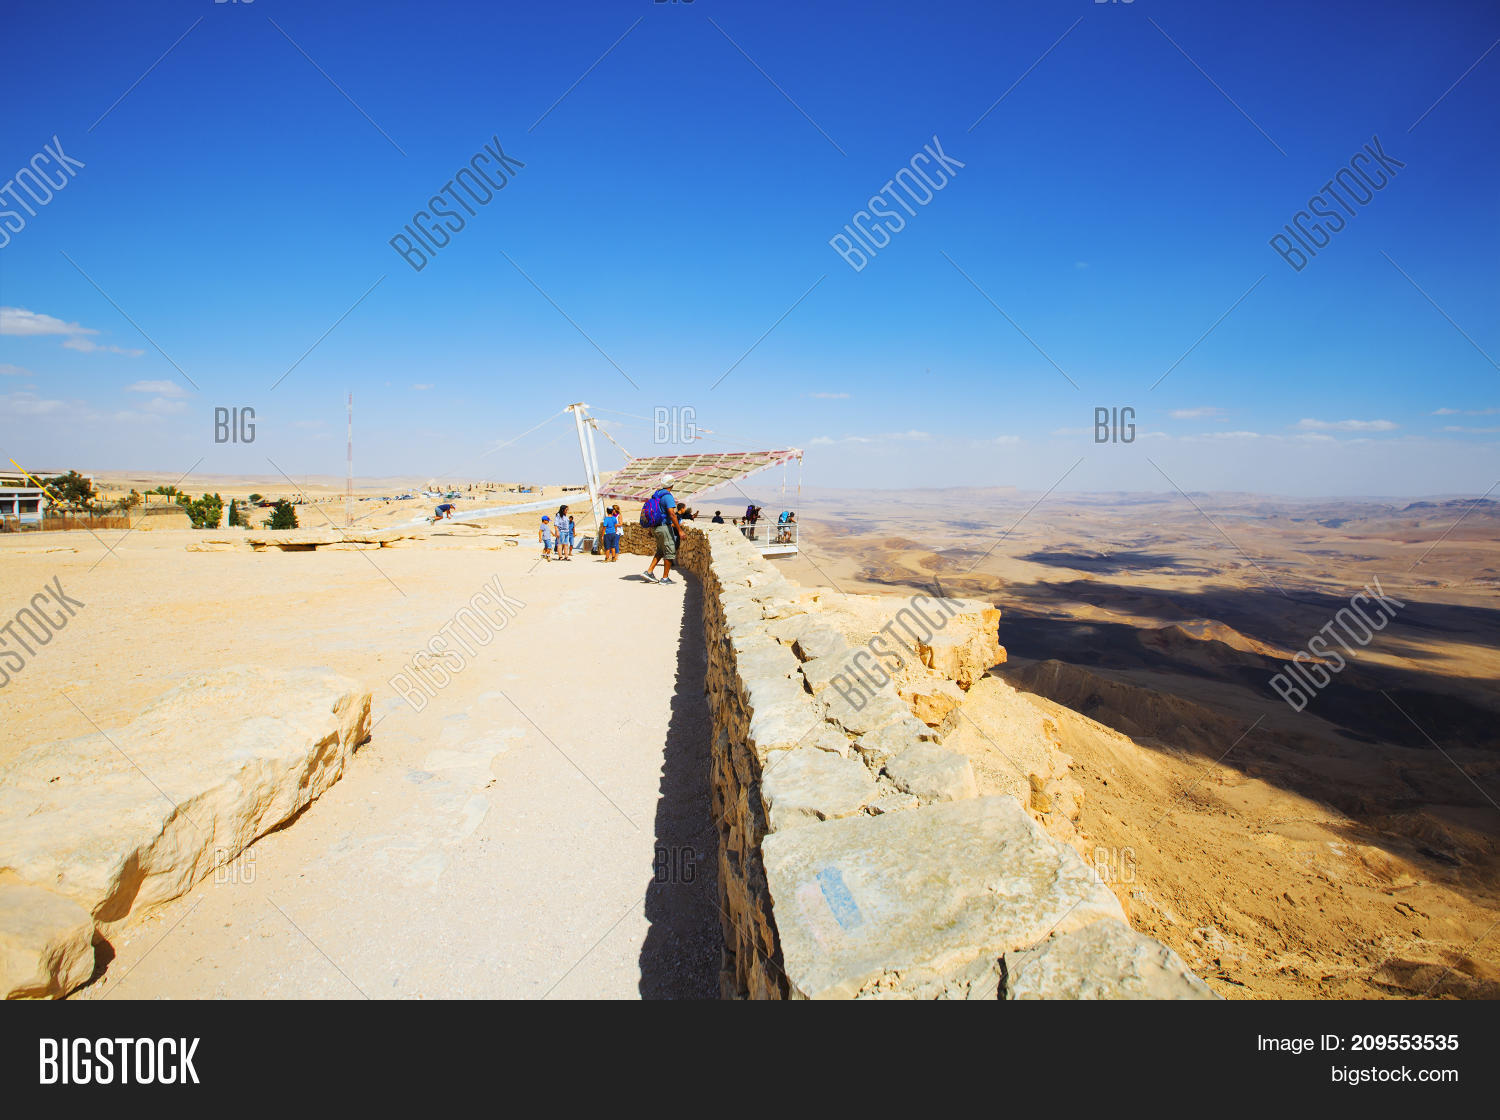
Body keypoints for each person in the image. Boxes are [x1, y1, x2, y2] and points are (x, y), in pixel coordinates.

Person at [643, 474, 681, 585]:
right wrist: (680, 530)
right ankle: (665, 578)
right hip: (664, 527)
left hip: (655, 527)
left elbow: (652, 512)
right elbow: (672, 514)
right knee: (670, 551)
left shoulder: (656, 494)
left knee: (660, 550)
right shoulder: (668, 496)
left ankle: (649, 572)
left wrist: (651, 529)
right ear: (672, 484)